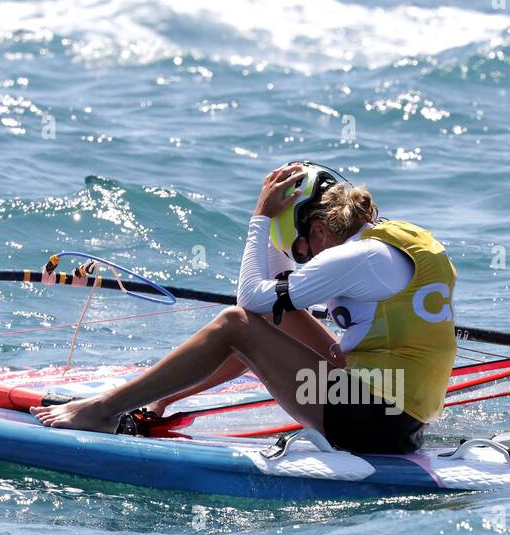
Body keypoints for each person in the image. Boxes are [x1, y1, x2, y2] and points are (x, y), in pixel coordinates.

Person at [31, 161, 457, 454]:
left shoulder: (353, 258)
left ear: (323, 229)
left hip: (370, 421)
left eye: (302, 251)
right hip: (396, 416)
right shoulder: (389, 242)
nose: (303, 260)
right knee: (266, 321)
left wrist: (259, 216)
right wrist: (281, 226)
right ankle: (156, 401)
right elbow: (269, 307)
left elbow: (249, 300)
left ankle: (102, 410)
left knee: (236, 324)